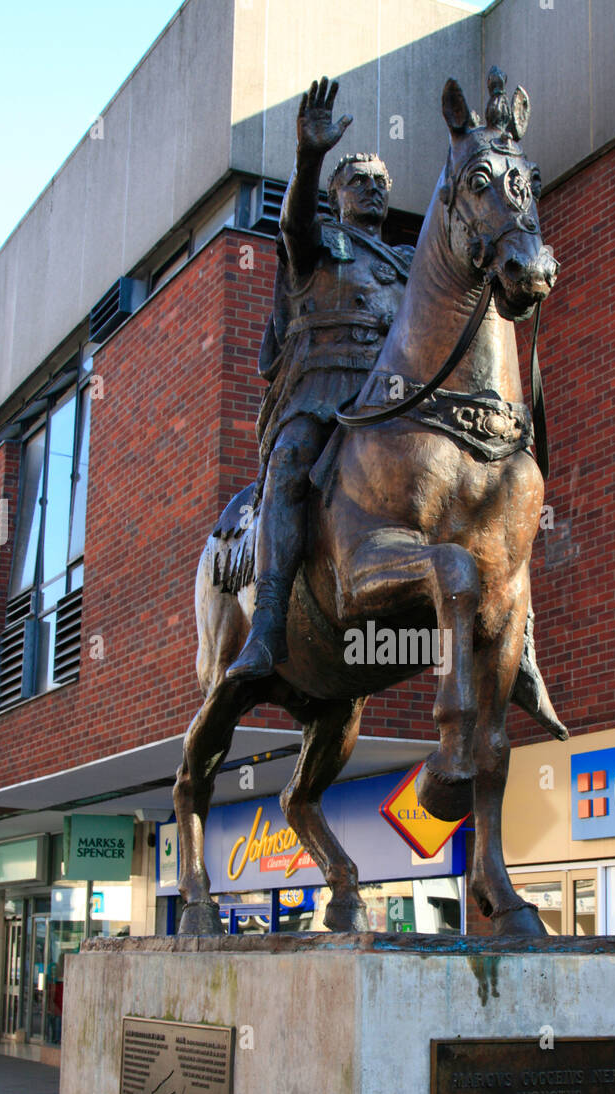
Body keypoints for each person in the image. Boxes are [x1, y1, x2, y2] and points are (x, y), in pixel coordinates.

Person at [222, 76, 412, 681]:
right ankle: (270, 622)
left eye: (381, 184)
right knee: (289, 464)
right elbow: (294, 221)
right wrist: (309, 156)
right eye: (359, 181)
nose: (373, 191)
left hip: (392, 398)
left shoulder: (407, 265)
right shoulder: (317, 243)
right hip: (324, 390)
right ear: (336, 194)